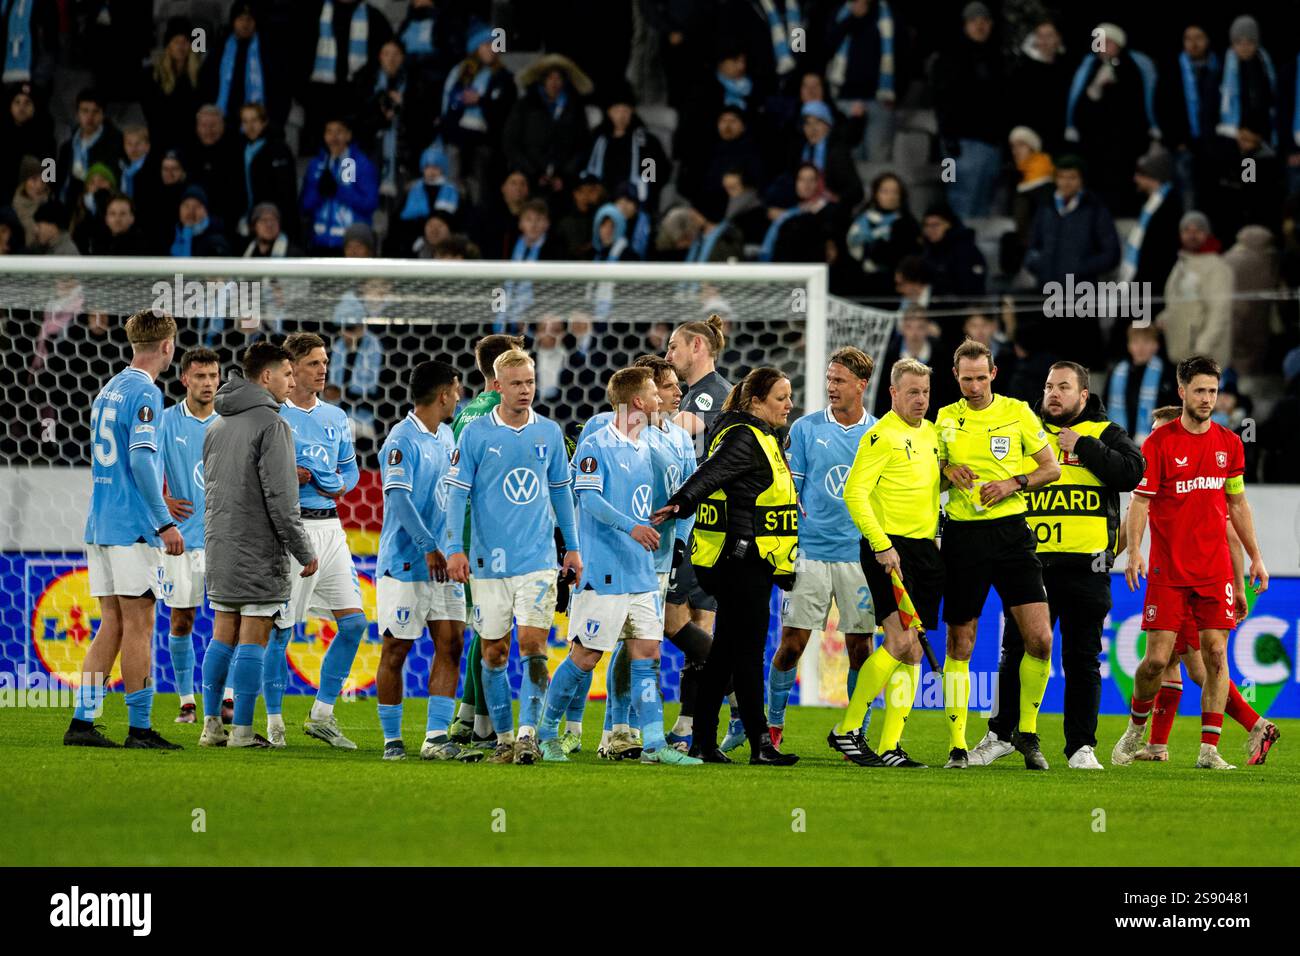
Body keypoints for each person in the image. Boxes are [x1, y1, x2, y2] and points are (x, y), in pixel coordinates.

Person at [967, 362, 1143, 770]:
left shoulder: (1105, 433)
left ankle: (1080, 746)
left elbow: (1133, 473)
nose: (1053, 393)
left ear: (1083, 395)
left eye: (1064, 387)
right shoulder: (1024, 430)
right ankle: (1001, 735)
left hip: (1088, 566)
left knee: (1082, 660)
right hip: (1031, 565)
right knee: (1017, 651)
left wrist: (1082, 445)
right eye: (1049, 386)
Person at [537, 367, 700, 766]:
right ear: (639, 402)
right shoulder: (597, 445)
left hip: (642, 570)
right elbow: (588, 500)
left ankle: (653, 744)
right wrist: (634, 528)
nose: (662, 399)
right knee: (586, 656)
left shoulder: (649, 447)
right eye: (654, 393)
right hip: (604, 570)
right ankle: (545, 733)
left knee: (646, 653)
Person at [1113, 356, 1269, 770]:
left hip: (1213, 570)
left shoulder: (1229, 444)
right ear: (1181, 392)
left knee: (1217, 657)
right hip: (1169, 571)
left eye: (1213, 391)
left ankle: (1208, 750)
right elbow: (1140, 503)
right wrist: (1134, 551)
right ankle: (1135, 728)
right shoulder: (1159, 444)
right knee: (1157, 661)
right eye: (1199, 390)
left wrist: (1256, 559)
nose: (1207, 399)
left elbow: (1237, 504)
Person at [652, 367, 799, 765]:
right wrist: (682, 501)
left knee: (726, 652)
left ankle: (703, 740)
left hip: (748, 558)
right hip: (739, 559)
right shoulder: (744, 437)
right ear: (756, 403)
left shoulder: (760, 435)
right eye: (781, 398)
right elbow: (711, 473)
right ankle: (759, 743)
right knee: (747, 651)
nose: (790, 404)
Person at [444, 349, 583, 764]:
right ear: (498, 386)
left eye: (530, 382)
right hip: (488, 563)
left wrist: (571, 547)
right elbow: (457, 494)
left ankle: (528, 735)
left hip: (538, 560)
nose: (525, 390)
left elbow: (561, 491)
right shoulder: (475, 434)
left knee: (533, 645)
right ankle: (503, 739)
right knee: (493, 652)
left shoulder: (549, 433)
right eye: (517, 383)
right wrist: (455, 548)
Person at [936, 338, 1060, 770]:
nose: (973, 385)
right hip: (963, 537)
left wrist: (1013, 484)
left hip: (1011, 535)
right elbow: (930, 477)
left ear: (993, 373)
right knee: (961, 642)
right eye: (965, 379)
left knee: (1040, 638)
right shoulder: (944, 419)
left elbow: (1052, 467)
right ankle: (957, 745)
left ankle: (1026, 733)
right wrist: (946, 470)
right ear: (956, 377)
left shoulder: (1018, 412)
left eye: (980, 377)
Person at [64, 309, 185, 750]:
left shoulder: (109, 389)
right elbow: (139, 459)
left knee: (111, 623)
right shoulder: (146, 394)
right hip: (132, 529)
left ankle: (82, 722)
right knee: (140, 624)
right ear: (168, 346)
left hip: (100, 522)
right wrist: (164, 521)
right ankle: (140, 728)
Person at [201, 340, 318, 749]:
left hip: (219, 546)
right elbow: (282, 500)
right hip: (256, 547)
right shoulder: (273, 425)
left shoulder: (216, 424)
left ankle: (210, 726)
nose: (292, 381)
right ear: (266, 377)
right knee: (254, 636)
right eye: (287, 373)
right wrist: (304, 551)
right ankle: (244, 733)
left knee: (222, 634)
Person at [833, 357, 943, 767]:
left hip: (923, 550)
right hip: (889, 549)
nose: (921, 400)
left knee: (912, 651)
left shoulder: (931, 434)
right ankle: (847, 729)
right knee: (899, 641)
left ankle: (890, 746)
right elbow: (854, 493)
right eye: (912, 392)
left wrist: (954, 475)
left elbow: (924, 480)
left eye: (926, 392)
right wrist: (880, 544)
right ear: (893, 393)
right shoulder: (881, 436)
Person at [767, 348, 877, 751]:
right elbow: (789, 493)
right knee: (792, 643)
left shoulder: (878, 433)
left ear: (861, 385)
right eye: (829, 380)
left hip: (858, 556)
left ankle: (854, 731)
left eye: (840, 381)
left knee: (861, 648)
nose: (831, 387)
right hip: (810, 553)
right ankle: (773, 727)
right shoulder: (805, 429)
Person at [266, 332, 366, 749]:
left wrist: (335, 485)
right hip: (292, 529)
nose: (323, 369)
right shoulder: (275, 415)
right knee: (280, 630)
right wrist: (291, 475)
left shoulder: (336, 417)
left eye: (324, 362)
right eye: (313, 363)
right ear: (292, 367)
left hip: (331, 527)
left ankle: (322, 714)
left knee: (355, 622)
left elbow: (353, 473)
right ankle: (273, 723)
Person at [375, 361, 478, 762]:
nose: (459, 396)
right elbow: (398, 498)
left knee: (451, 644)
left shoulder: (448, 434)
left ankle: (435, 738)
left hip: (444, 563)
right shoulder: (401, 440)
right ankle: (391, 742)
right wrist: (427, 546)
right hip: (407, 562)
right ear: (443, 394)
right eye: (456, 390)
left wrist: (449, 547)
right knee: (396, 647)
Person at [446, 333, 525, 751]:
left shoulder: (466, 411)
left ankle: (468, 714)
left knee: (485, 624)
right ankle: (481, 722)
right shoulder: (499, 413)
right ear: (501, 375)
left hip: (468, 531)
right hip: (488, 532)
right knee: (493, 625)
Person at [663, 314, 733, 749]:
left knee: (678, 623)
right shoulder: (701, 394)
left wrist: (635, 417)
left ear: (697, 348)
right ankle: (690, 725)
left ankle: (740, 703)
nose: (669, 356)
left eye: (674, 347)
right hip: (707, 528)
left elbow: (678, 431)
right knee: (698, 624)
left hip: (701, 527)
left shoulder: (708, 398)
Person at [159, 348, 221, 724]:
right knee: (181, 620)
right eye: (200, 376)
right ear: (184, 379)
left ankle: (225, 698)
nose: (208, 383)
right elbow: (141, 467)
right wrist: (162, 501)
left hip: (224, 540)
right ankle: (186, 700)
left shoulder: (228, 423)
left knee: (230, 620)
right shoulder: (166, 422)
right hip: (180, 541)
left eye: (213, 376)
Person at [301, 116, 379, 254]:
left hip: (350, 246)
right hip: (319, 242)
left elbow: (370, 203)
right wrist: (319, 192)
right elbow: (305, 204)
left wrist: (339, 191)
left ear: (348, 135)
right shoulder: (317, 164)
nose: (334, 137)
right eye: (329, 132)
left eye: (339, 132)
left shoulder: (359, 163)